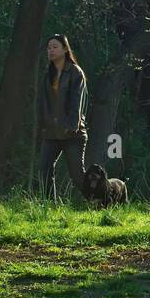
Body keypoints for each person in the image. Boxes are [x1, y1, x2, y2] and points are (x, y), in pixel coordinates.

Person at [38, 34, 88, 202]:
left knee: (77, 175)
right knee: (44, 169)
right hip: (51, 131)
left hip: (72, 133)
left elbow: (77, 101)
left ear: (65, 49)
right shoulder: (48, 73)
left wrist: (71, 125)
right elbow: (43, 102)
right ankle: (47, 206)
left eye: (55, 47)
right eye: (49, 48)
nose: (50, 50)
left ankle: (101, 202)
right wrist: (43, 124)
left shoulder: (75, 72)